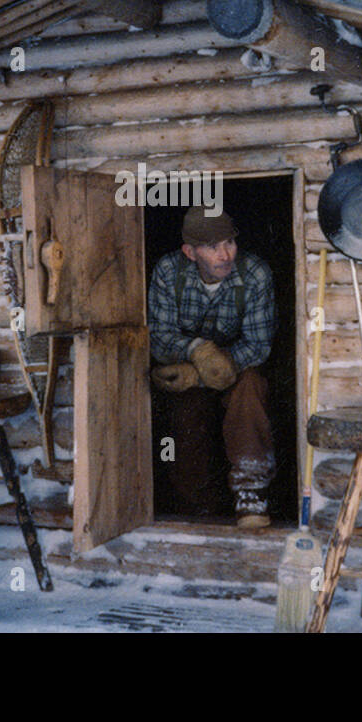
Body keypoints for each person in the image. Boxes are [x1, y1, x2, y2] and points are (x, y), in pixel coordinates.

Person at [148, 206, 276, 528]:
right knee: (183, 412)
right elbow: (160, 337)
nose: (225, 254)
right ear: (190, 252)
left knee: (249, 390)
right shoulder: (168, 271)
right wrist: (197, 352)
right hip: (188, 368)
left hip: (238, 364)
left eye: (230, 243)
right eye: (212, 246)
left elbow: (258, 345)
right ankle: (195, 506)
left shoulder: (255, 274)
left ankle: (252, 493)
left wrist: (214, 369)